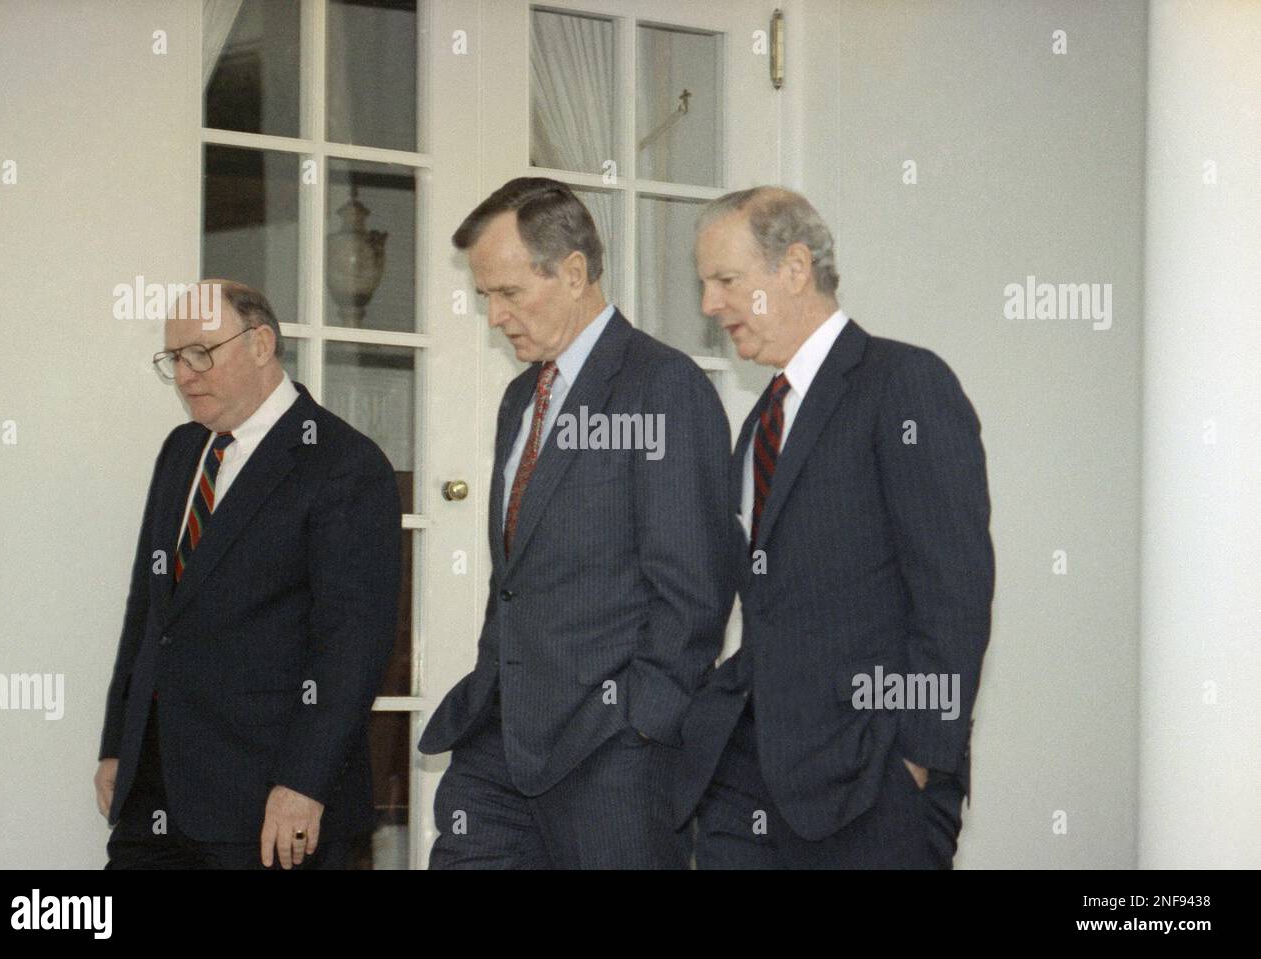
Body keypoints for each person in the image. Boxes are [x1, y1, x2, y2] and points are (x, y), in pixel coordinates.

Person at [676, 187, 994, 868]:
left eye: (726, 280)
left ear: (794, 268)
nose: (709, 305)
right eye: (705, 284)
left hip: (869, 782)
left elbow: (955, 590)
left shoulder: (904, 383)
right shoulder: (764, 417)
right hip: (749, 773)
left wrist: (914, 759)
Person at [419, 178, 732, 868]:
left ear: (573, 272)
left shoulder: (663, 386)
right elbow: (517, 580)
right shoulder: (518, 399)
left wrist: (639, 724)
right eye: (484, 297)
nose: (494, 316)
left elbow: (695, 589)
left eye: (508, 293)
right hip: (497, 741)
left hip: (611, 753)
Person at [94, 280, 402, 869]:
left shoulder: (344, 464)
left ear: (261, 344)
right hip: (155, 791)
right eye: (174, 359)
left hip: (268, 804)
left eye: (201, 354)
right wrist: (118, 746)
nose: (185, 374)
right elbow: (148, 612)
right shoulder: (181, 451)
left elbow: (352, 648)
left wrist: (304, 784)